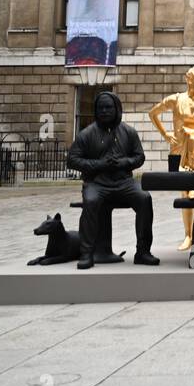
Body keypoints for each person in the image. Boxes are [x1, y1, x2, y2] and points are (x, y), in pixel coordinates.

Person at [66, 91, 158, 270]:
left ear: (117, 109)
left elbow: (139, 157)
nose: (104, 111)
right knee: (90, 201)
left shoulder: (128, 132)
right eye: (101, 108)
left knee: (144, 198)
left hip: (124, 182)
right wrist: (98, 164)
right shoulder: (87, 134)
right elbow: (72, 160)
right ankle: (87, 254)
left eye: (108, 107)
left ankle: (143, 251)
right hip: (96, 183)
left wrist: (124, 162)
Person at [148, 67, 194, 251]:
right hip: (179, 150)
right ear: (188, 80)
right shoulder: (176, 99)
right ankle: (188, 234)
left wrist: (193, 131)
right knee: (185, 192)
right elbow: (153, 113)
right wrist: (165, 134)